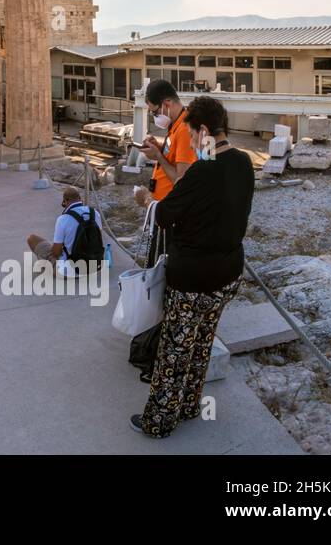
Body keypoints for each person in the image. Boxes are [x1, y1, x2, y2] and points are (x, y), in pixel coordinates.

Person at [131, 96, 250, 438]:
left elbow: (167, 215)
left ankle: (159, 421)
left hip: (193, 279)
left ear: (202, 131)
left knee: (174, 350)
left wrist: (148, 201)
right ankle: (189, 405)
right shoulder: (242, 163)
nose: (194, 141)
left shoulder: (201, 172)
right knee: (202, 342)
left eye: (193, 134)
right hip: (228, 274)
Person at [140, 79, 195, 203]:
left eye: (155, 112)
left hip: (171, 207)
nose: (155, 117)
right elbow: (174, 155)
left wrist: (158, 156)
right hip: (163, 204)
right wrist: (159, 147)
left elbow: (181, 181)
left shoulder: (184, 129)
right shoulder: (176, 124)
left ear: (167, 103)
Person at [26, 187, 101, 277]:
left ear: (65, 201)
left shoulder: (63, 219)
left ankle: (48, 266)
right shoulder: (95, 213)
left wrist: (57, 248)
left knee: (32, 239)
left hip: (69, 272)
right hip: (94, 268)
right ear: (80, 198)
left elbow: (56, 253)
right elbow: (98, 238)